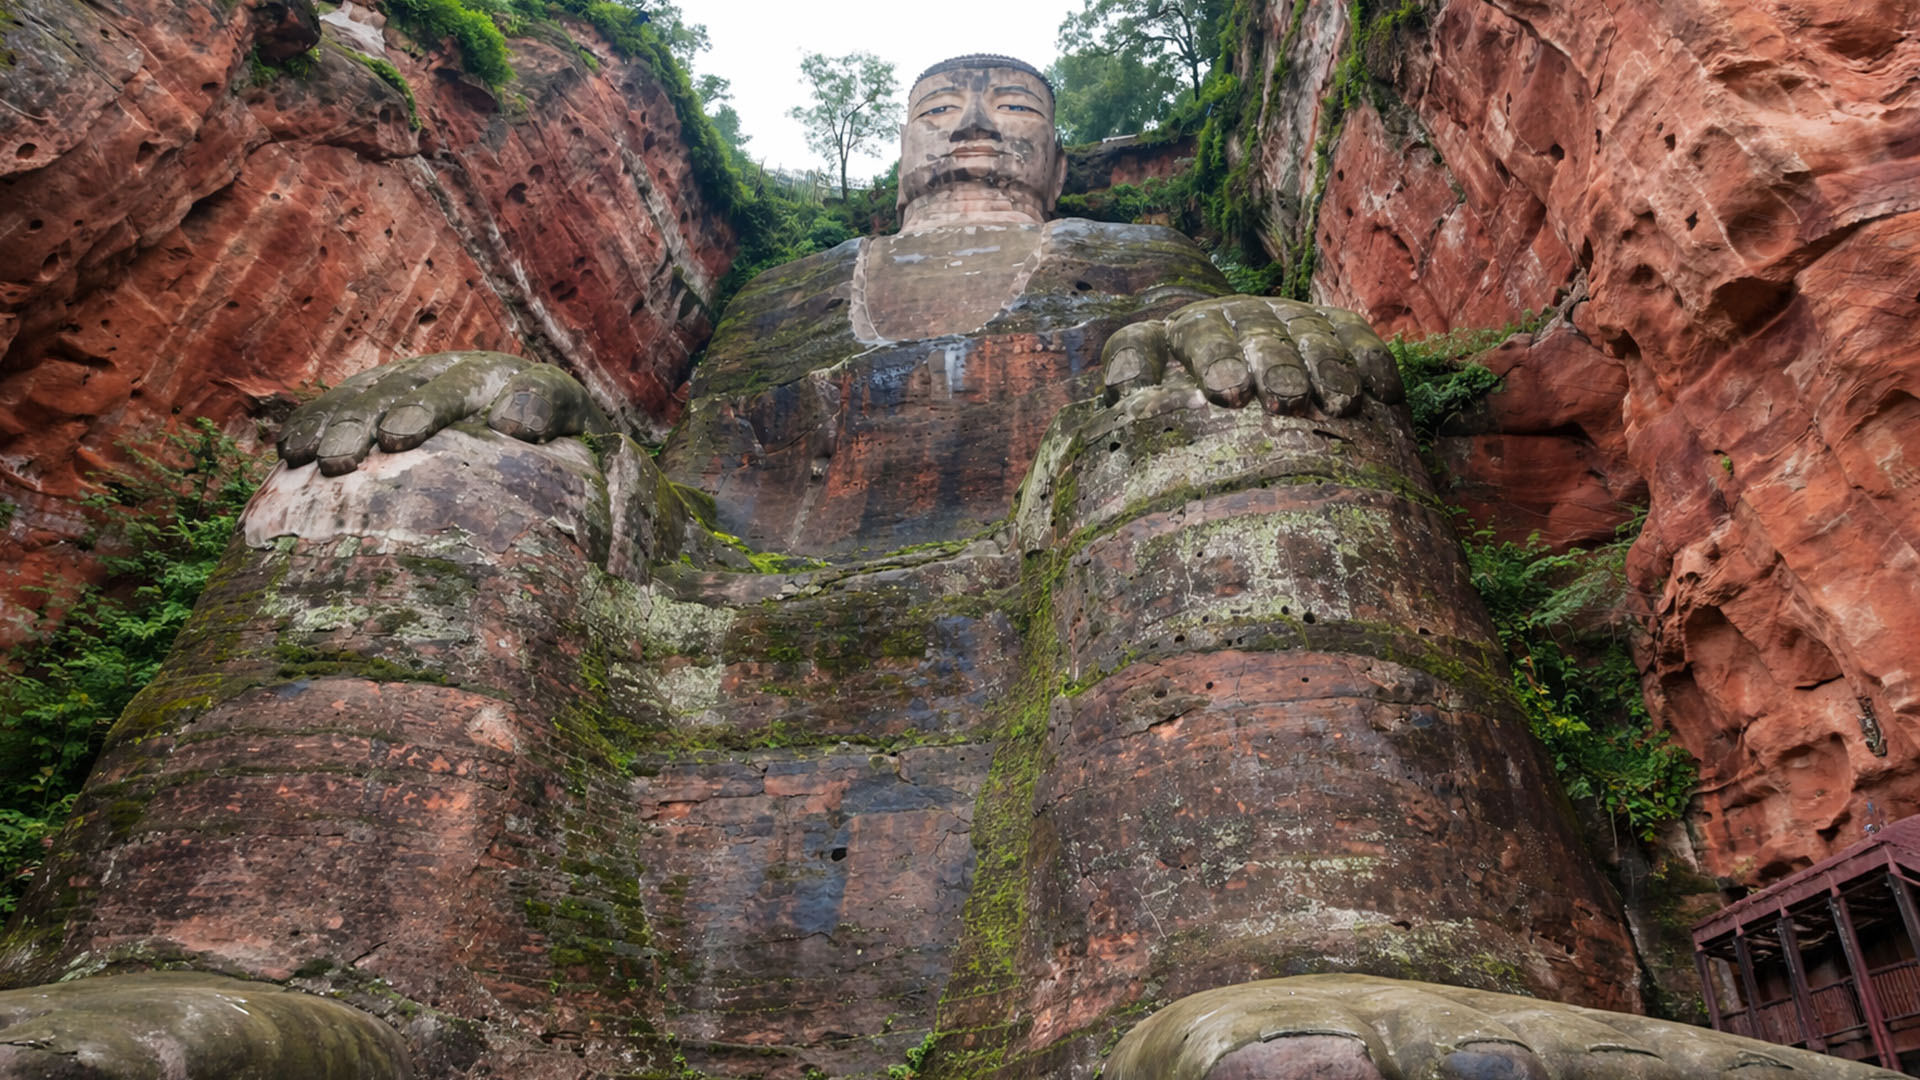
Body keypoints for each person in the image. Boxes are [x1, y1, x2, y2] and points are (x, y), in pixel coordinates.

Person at [0, 53, 1867, 1080]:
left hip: (1062, 578)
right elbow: (678, 470)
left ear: (1063, 154)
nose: (976, 124)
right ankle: (254, 980)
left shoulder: (1134, 266)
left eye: (1014, 107)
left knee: (1240, 416)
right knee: (444, 470)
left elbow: (1188, 394)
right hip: (709, 603)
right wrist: (516, 415)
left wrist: (1247, 337)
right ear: (890, 148)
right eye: (942, 106)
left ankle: (1302, 956)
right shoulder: (785, 292)